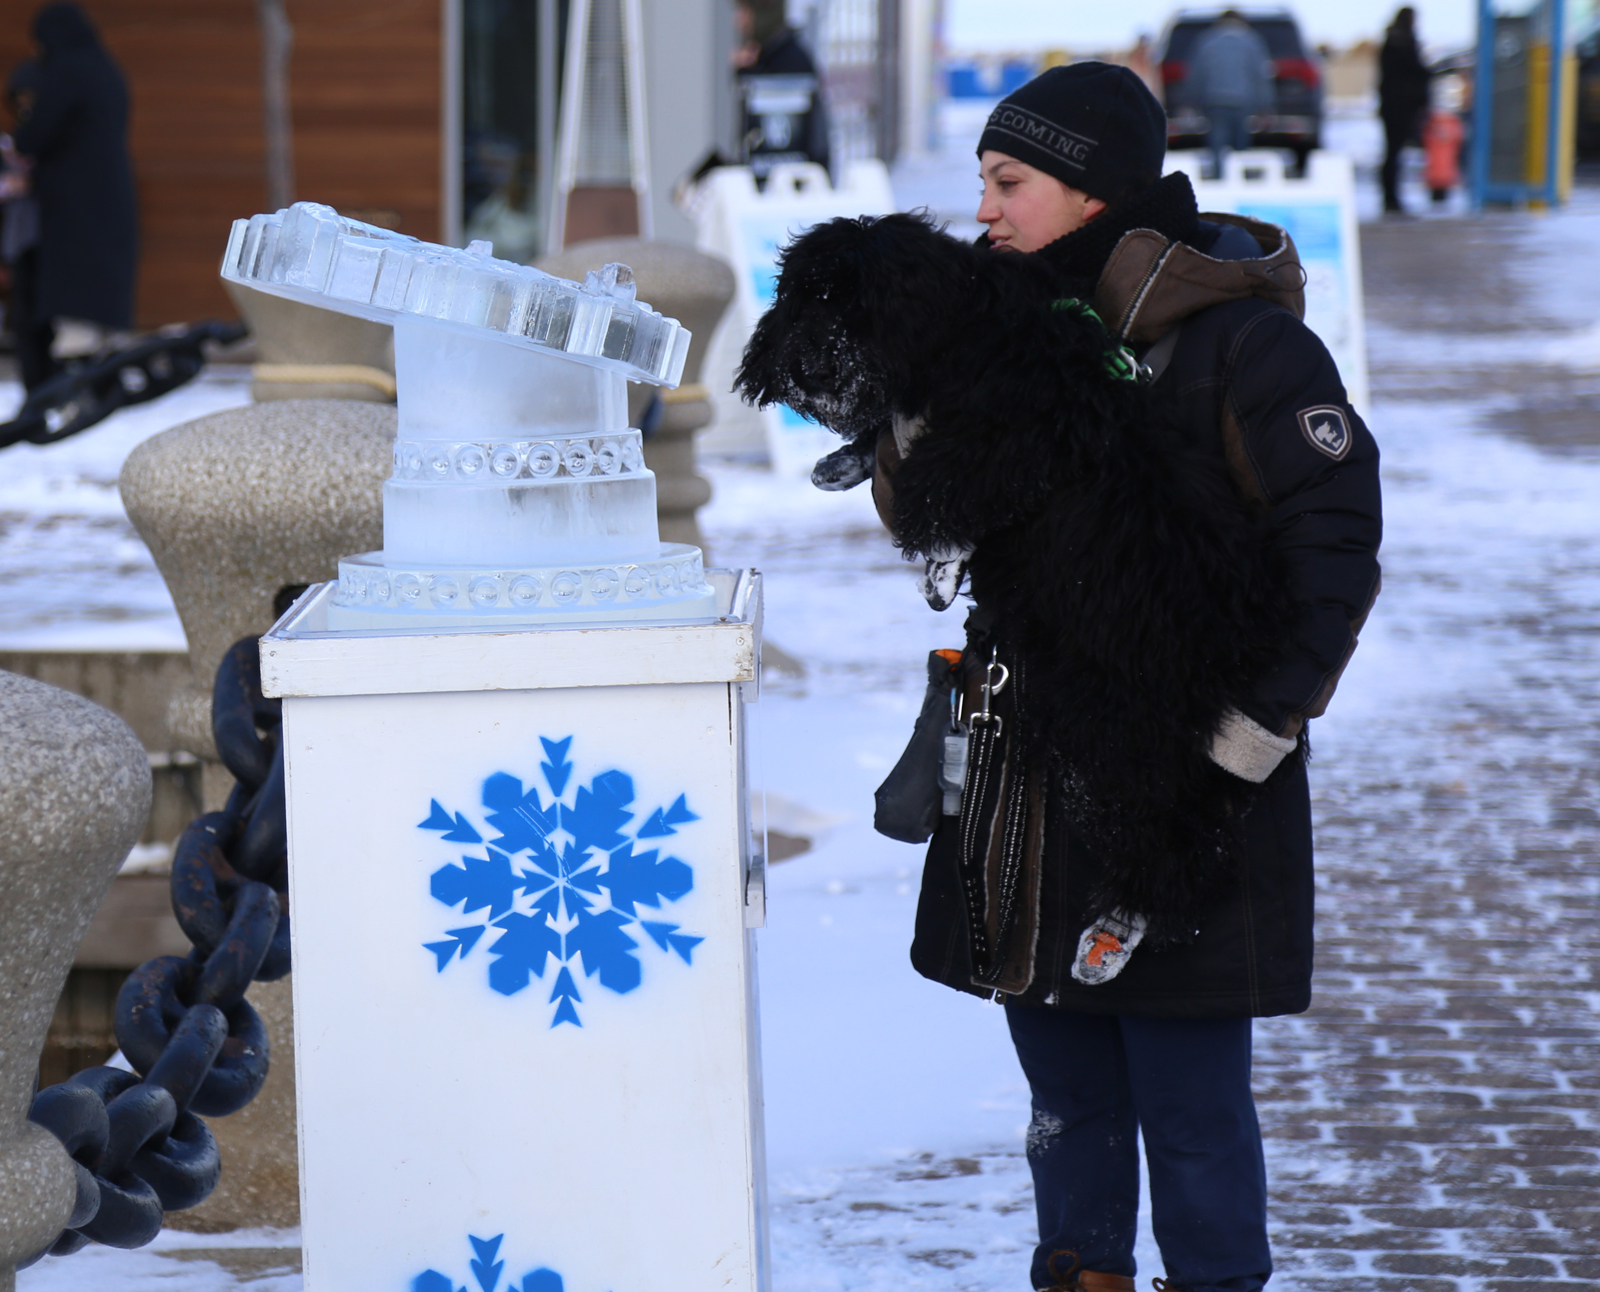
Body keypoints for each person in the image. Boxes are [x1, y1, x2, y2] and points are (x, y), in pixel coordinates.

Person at [737, 62, 1382, 1292]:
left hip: (1193, 781)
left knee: (1190, 1107)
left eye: (1007, 181)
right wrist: (898, 432)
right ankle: (1078, 1272)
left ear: (1089, 192)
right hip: (1031, 766)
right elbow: (927, 518)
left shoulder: (1245, 345)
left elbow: (1334, 550)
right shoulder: (987, 338)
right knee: (1064, 1097)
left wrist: (1245, 740)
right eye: (982, 179)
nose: (981, 210)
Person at [11, 2, 137, 389]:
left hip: (72, 201)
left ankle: (72, 379)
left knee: (72, 296)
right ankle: (106, 373)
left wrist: (21, 141)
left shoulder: (66, 71)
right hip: (114, 193)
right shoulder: (106, 68)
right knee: (103, 291)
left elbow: (35, 136)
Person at [733, 0, 829, 182]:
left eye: (744, 12)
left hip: (787, 183)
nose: (738, 21)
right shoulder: (769, 57)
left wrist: (749, 75)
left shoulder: (788, 60)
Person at [1186, 9, 1272, 177]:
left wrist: (1191, 101)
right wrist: (1265, 106)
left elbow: (1196, 74)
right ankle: (1240, 180)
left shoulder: (1206, 41)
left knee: (1217, 146)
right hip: (1242, 102)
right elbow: (1260, 76)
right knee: (1240, 146)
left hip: (1214, 100)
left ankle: (1220, 180)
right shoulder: (1252, 41)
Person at [1378, 7, 1431, 214]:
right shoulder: (1400, 42)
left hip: (1397, 106)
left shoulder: (1396, 40)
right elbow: (1413, 71)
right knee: (1393, 154)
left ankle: (1391, 198)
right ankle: (1390, 198)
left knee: (1394, 153)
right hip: (1398, 107)